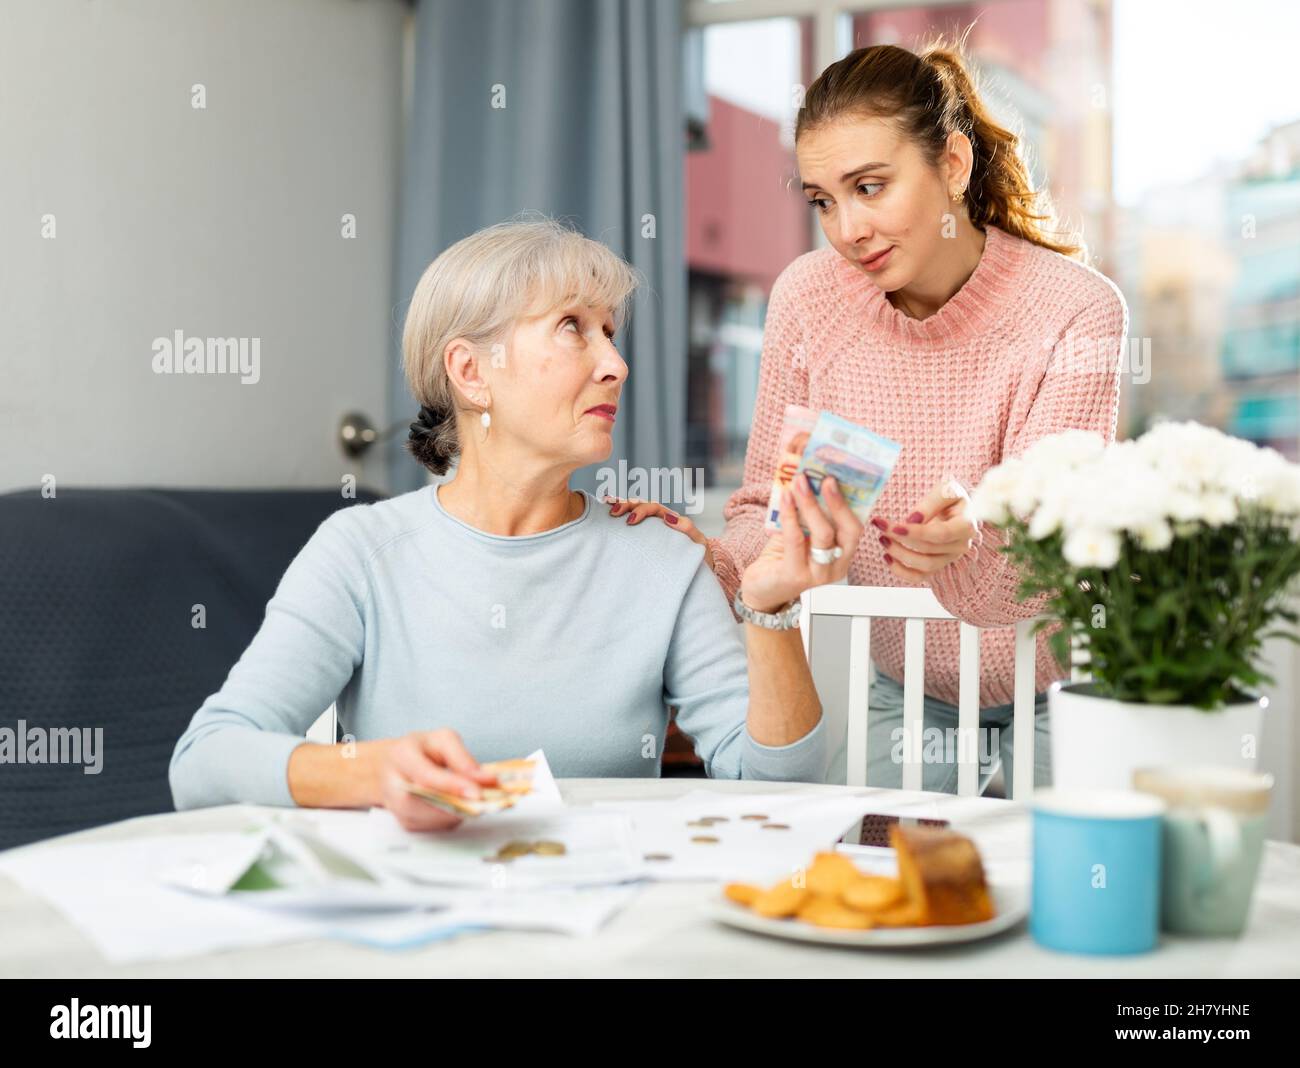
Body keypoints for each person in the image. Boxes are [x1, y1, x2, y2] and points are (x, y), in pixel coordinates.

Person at [169, 218, 864, 830]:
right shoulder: (362, 552)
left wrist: (768, 609)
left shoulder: (659, 558)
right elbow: (204, 761)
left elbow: (780, 792)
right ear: (472, 373)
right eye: (572, 328)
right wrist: (365, 772)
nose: (616, 365)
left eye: (611, 335)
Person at [608, 42, 1128, 798]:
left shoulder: (1076, 310)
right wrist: (716, 560)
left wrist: (968, 542)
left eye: (871, 186)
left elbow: (1051, 556)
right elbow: (778, 508)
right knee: (881, 886)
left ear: (953, 165)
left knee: (1059, 901)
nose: (847, 229)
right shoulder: (811, 301)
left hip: (1058, 685)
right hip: (905, 686)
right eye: (823, 199)